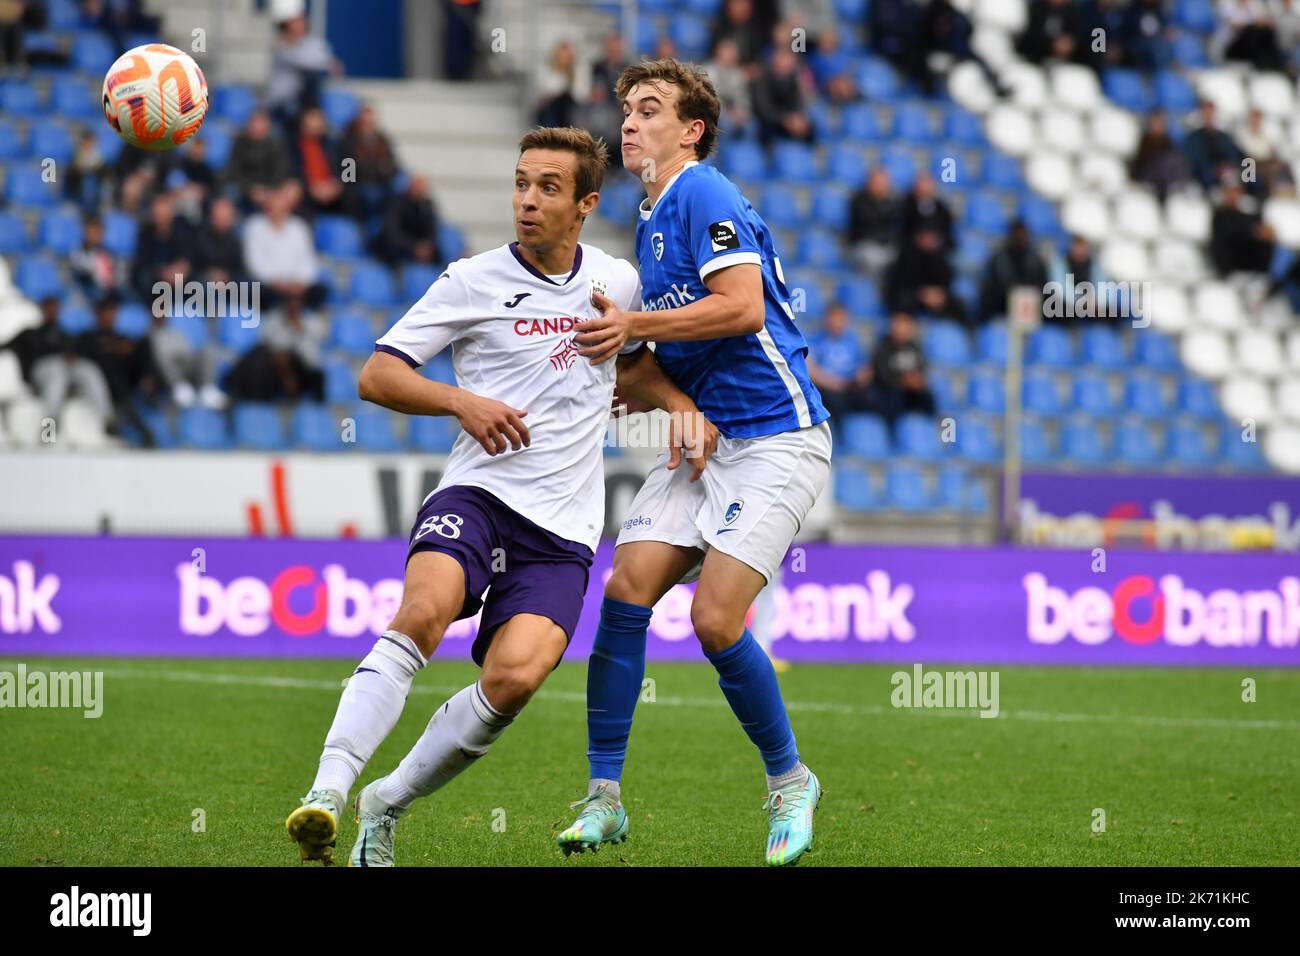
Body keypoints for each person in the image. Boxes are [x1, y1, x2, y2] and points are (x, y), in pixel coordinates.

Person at [284, 126, 712, 867]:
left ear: (584, 204)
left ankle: (386, 805)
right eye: (521, 183)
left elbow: (633, 370)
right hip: (477, 494)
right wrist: (461, 403)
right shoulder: (471, 279)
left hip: (564, 527)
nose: (527, 200)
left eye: (548, 187)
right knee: (422, 611)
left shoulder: (618, 282)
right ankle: (328, 791)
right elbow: (377, 375)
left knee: (514, 678)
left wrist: (679, 405)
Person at [559, 59, 832, 867]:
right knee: (626, 589)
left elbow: (742, 308)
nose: (631, 123)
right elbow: (649, 356)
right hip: (708, 439)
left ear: (692, 130)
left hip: (776, 436)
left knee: (715, 621)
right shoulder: (650, 220)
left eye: (650, 110)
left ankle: (790, 783)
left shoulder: (702, 193)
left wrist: (637, 329)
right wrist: (654, 391)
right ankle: (603, 798)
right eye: (627, 109)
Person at [2, 296, 112, 423]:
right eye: (49, 307)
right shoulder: (30, 333)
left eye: (55, 308)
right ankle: (49, 428)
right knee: (57, 372)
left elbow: (75, 353)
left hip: (66, 369)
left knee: (89, 369)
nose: (52, 311)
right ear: (42, 309)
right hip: (41, 372)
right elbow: (7, 346)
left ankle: (107, 420)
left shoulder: (63, 334)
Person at [242, 182, 326, 309]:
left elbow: (307, 258)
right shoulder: (254, 226)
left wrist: (301, 281)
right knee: (257, 291)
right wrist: (276, 281)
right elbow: (254, 262)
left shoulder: (299, 227)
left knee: (321, 290)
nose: (277, 210)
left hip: (297, 283)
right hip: (269, 284)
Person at [806, 302, 873, 423]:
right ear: (827, 319)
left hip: (851, 387)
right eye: (834, 317)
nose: (838, 322)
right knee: (833, 401)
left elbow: (864, 367)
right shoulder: (817, 340)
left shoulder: (852, 340)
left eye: (842, 318)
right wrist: (834, 383)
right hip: (828, 389)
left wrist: (861, 377)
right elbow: (812, 371)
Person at [867, 311, 936, 427]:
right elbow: (882, 375)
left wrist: (918, 381)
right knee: (892, 399)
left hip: (912, 391)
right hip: (889, 391)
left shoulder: (915, 347)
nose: (901, 330)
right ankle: (892, 430)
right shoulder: (883, 347)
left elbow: (922, 369)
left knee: (928, 397)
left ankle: (931, 429)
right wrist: (904, 381)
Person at [978, 220, 1048, 323]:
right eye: (1017, 235)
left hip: (1032, 306)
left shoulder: (1035, 259)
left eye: (1023, 235)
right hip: (1003, 307)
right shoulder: (999, 259)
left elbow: (1042, 283)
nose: (1020, 238)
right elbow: (999, 285)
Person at [1211, 177, 1276, 276]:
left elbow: (1262, 230)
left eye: (1236, 191)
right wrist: (1253, 231)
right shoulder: (1219, 215)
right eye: (1230, 192)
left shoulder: (1250, 212)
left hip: (1254, 269)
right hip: (1231, 270)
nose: (1233, 195)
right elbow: (1231, 231)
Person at [847, 167, 900, 285]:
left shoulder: (892, 201)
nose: (883, 186)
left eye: (885, 182)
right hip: (865, 244)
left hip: (888, 245)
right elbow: (869, 224)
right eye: (879, 182)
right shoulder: (858, 200)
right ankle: (874, 297)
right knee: (873, 260)